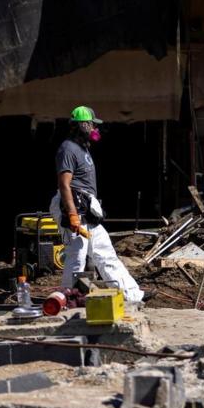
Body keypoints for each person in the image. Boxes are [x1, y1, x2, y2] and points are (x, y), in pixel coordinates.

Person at [49, 105, 144, 302]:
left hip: (87, 208)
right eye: (93, 125)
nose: (95, 129)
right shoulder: (68, 148)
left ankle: (132, 296)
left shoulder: (82, 149)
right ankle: (66, 298)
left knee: (105, 253)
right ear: (83, 125)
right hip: (73, 206)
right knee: (77, 254)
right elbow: (64, 184)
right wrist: (72, 214)